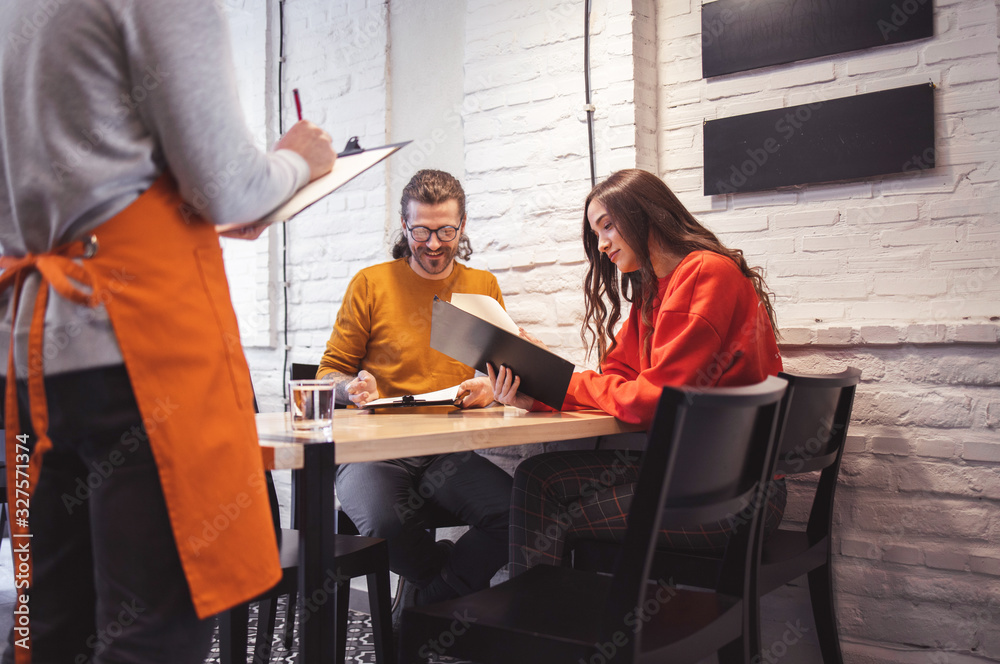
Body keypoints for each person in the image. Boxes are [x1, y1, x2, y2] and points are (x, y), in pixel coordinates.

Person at [0, 1, 337, 662]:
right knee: (151, 636)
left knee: (51, 628)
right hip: (139, 343)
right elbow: (227, 185)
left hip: (31, 349)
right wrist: (300, 159)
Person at [488, 169, 785, 576]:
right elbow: (617, 375)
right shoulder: (653, 291)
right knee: (539, 477)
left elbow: (652, 401)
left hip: (736, 490)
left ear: (645, 213)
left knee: (552, 520)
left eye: (608, 225)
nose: (602, 243)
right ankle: (552, 627)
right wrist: (539, 387)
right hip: (691, 471)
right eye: (596, 232)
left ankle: (555, 632)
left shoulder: (704, 273)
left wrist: (561, 381)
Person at [317, 169, 513, 620]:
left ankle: (421, 607)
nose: (433, 244)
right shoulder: (371, 283)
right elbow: (329, 373)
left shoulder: (481, 286)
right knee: (384, 524)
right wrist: (351, 388)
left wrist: (489, 388)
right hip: (372, 451)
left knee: (514, 514)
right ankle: (440, 592)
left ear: (461, 226)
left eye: (445, 230)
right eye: (421, 230)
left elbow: (504, 371)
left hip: (446, 451)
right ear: (404, 227)